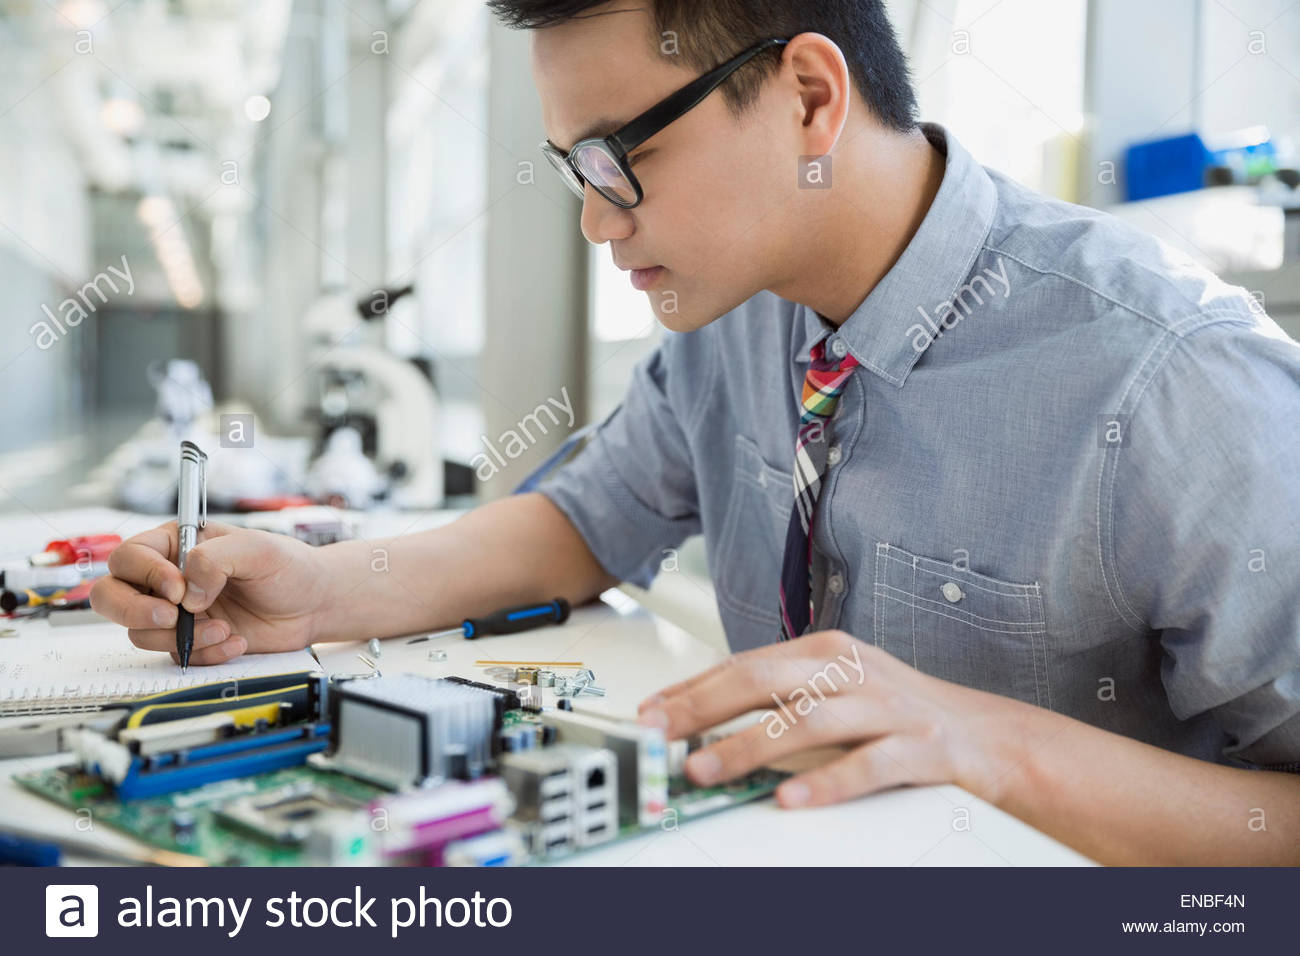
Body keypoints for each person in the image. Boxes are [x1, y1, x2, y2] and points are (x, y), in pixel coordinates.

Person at [92, 0, 1300, 864]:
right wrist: (316, 592)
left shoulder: (1172, 381)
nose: (594, 223)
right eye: (573, 166)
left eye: (621, 158)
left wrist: (991, 745)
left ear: (811, 98)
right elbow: (578, 523)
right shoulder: (735, 310)